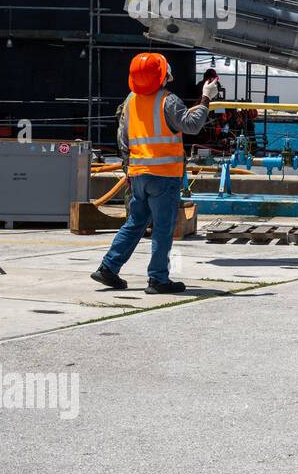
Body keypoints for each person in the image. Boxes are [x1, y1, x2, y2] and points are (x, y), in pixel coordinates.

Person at [90, 53, 216, 294]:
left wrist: (129, 170)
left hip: (138, 174)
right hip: (164, 177)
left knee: (135, 222)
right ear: (162, 75)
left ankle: (108, 267)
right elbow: (191, 125)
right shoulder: (168, 101)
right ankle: (158, 279)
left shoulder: (129, 101)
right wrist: (206, 98)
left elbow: (123, 139)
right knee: (162, 227)